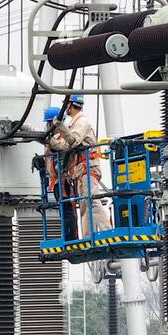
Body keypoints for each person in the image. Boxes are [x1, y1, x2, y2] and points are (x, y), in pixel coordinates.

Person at [46, 95, 113, 238]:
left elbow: (74, 141)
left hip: (88, 167)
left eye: (66, 105)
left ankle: (108, 232)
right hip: (81, 170)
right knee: (84, 204)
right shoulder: (74, 124)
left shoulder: (82, 122)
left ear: (71, 105)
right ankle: (88, 237)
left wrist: (60, 127)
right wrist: (49, 140)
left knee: (92, 200)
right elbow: (64, 146)